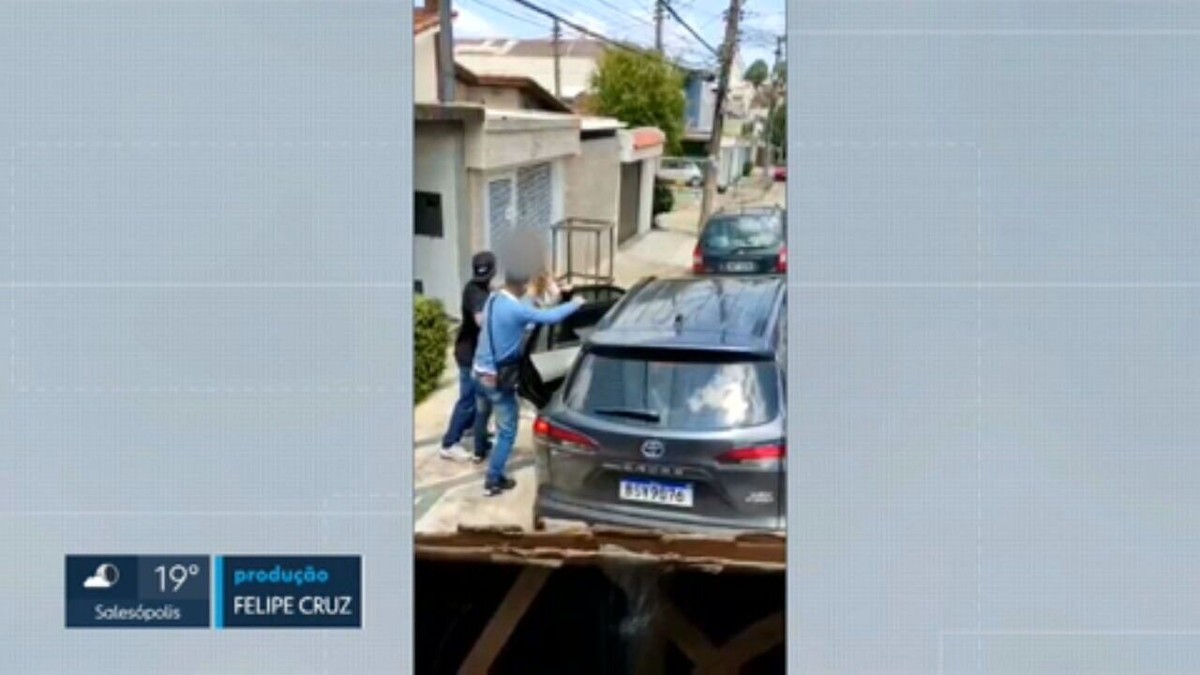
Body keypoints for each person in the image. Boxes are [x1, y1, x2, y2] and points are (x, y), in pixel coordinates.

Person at [473, 269, 584, 496]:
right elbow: (550, 318)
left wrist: (550, 293)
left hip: (478, 371)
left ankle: (478, 449)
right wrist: (575, 303)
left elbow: (527, 315)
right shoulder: (516, 309)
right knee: (507, 430)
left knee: (482, 413)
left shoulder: (493, 299)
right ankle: (494, 479)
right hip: (497, 379)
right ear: (523, 285)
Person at [438, 251, 497, 463]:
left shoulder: (480, 288)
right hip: (468, 354)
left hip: (472, 351)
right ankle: (449, 443)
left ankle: (474, 430)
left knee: (479, 397)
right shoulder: (475, 292)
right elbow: (481, 320)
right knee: (469, 400)